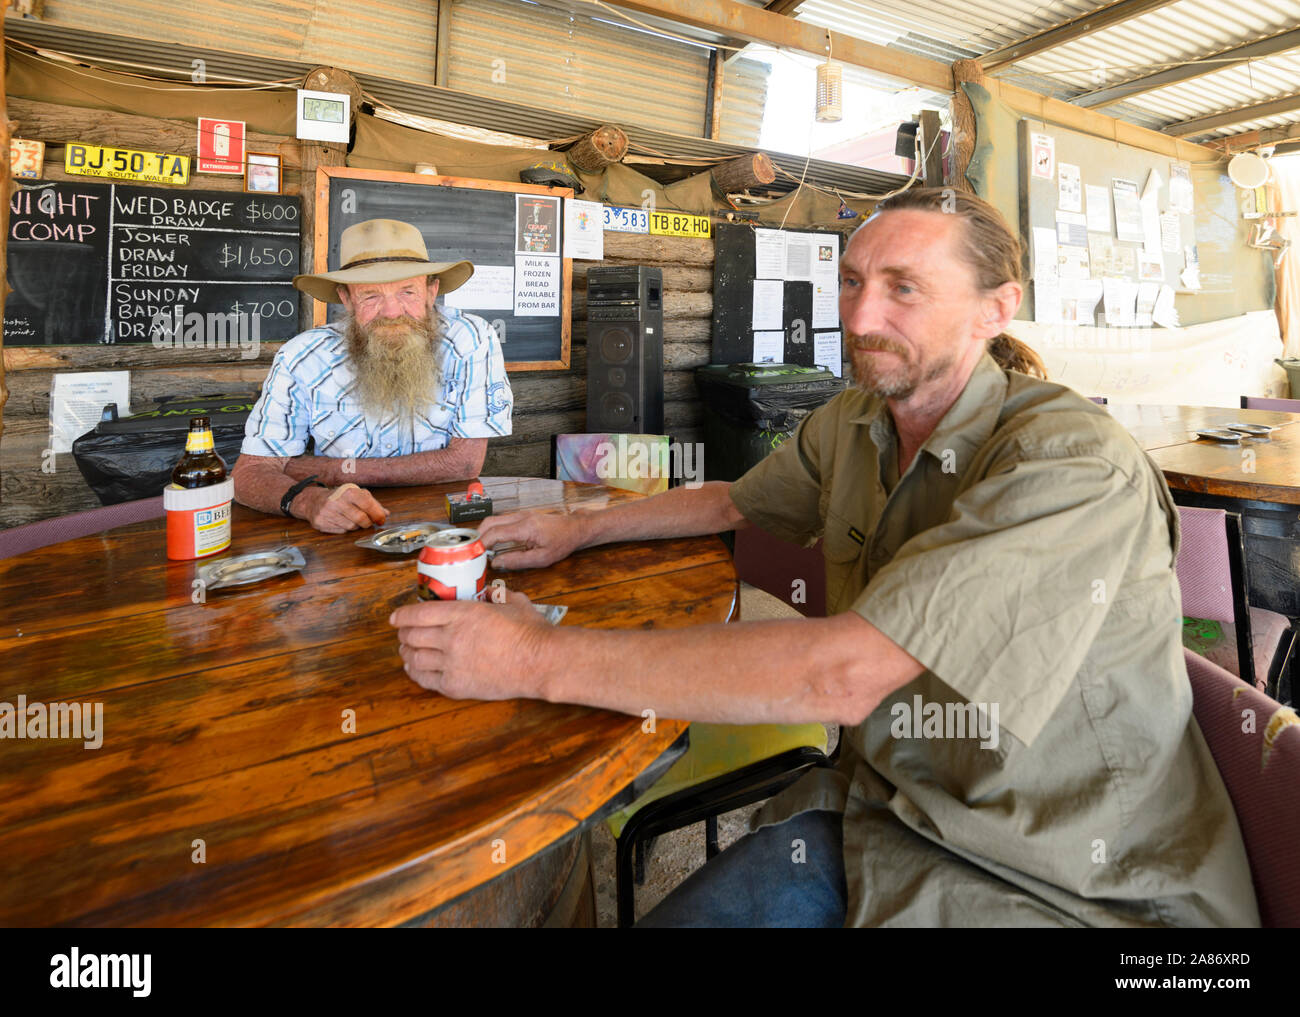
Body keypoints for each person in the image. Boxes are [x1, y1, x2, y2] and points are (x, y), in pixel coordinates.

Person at [389, 188, 1258, 928]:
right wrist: (579, 527)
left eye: (903, 287)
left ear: (996, 308)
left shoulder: (1072, 464)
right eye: (851, 281)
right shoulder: (857, 418)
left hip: (1072, 887)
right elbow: (733, 500)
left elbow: (842, 675)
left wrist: (532, 656)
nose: (861, 317)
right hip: (890, 815)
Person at [233, 219, 512, 532]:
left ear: (430, 291)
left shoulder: (471, 339)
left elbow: (464, 464)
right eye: (370, 295)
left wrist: (333, 471)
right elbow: (248, 473)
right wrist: (308, 501)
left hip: (444, 526)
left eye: (407, 291)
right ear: (347, 299)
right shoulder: (301, 357)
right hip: (339, 528)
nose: (392, 312)